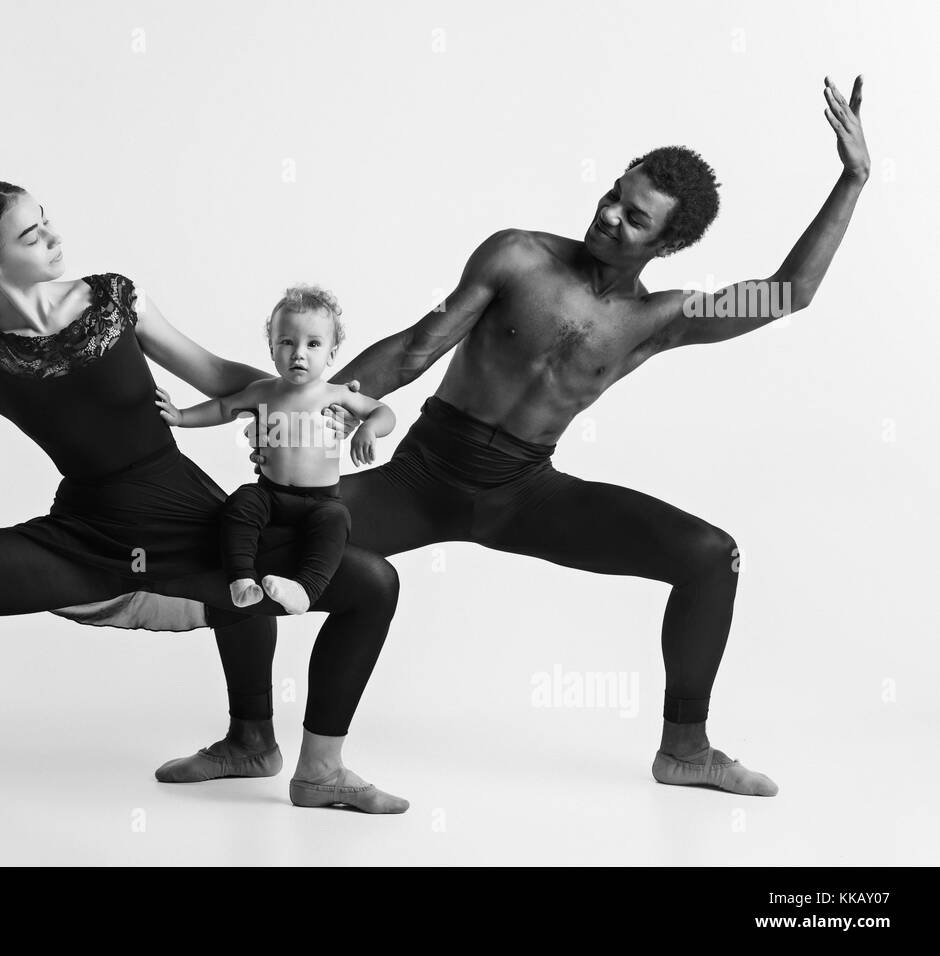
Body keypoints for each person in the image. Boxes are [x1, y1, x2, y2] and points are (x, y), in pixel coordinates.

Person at [148, 75, 871, 796]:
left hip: (524, 494)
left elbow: (790, 293)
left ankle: (685, 749)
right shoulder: (519, 255)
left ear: (669, 241)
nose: (611, 215)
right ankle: (250, 740)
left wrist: (852, 178)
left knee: (712, 556)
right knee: (239, 542)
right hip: (422, 477)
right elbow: (415, 348)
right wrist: (321, 412)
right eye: (614, 194)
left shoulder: (664, 316)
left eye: (635, 217)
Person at [0, 83, 408, 816]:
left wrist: (298, 398)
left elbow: (211, 373)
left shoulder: (113, 297)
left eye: (46, 222)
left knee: (368, 583)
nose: (50, 237)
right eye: (28, 235)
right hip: (86, 537)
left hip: (186, 513)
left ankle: (288, 757)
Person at [156, 284, 395, 614]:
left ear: (332, 353)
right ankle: (241, 580)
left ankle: (304, 590)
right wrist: (182, 416)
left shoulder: (337, 395)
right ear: (271, 349)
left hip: (321, 500)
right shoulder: (262, 391)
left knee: (336, 521)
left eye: (313, 344)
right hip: (269, 493)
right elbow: (224, 408)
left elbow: (384, 412)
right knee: (241, 502)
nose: (299, 353)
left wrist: (368, 428)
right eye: (287, 342)